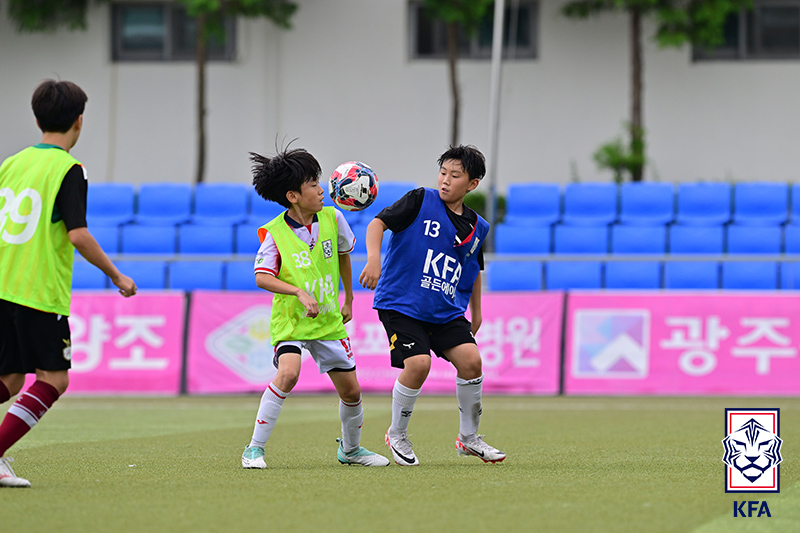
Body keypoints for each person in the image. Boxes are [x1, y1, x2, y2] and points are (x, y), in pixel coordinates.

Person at [0, 79, 137, 488]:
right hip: (37, 290)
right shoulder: (68, 169)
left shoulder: (11, 163)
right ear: (79, 122)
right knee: (54, 379)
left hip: (4, 284)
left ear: (37, 117)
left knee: (9, 380)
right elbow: (77, 234)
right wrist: (117, 275)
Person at [241, 146, 389, 468]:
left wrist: (348, 297)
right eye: (313, 184)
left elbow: (343, 255)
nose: (322, 189)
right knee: (289, 373)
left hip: (327, 321)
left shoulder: (333, 218)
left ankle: (350, 450)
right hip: (292, 321)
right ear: (293, 195)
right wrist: (297, 292)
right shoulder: (275, 233)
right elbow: (262, 277)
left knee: (351, 392)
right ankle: (254, 449)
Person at [359, 145, 506, 466]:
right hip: (401, 303)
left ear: (472, 184)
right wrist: (373, 259)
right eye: (443, 173)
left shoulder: (478, 227)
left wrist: (476, 312)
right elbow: (377, 224)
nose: (445, 181)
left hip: (445, 309)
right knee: (418, 364)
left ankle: (469, 438)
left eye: (455, 176)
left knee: (471, 362)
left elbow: (473, 269)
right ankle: (396, 433)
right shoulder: (420, 199)